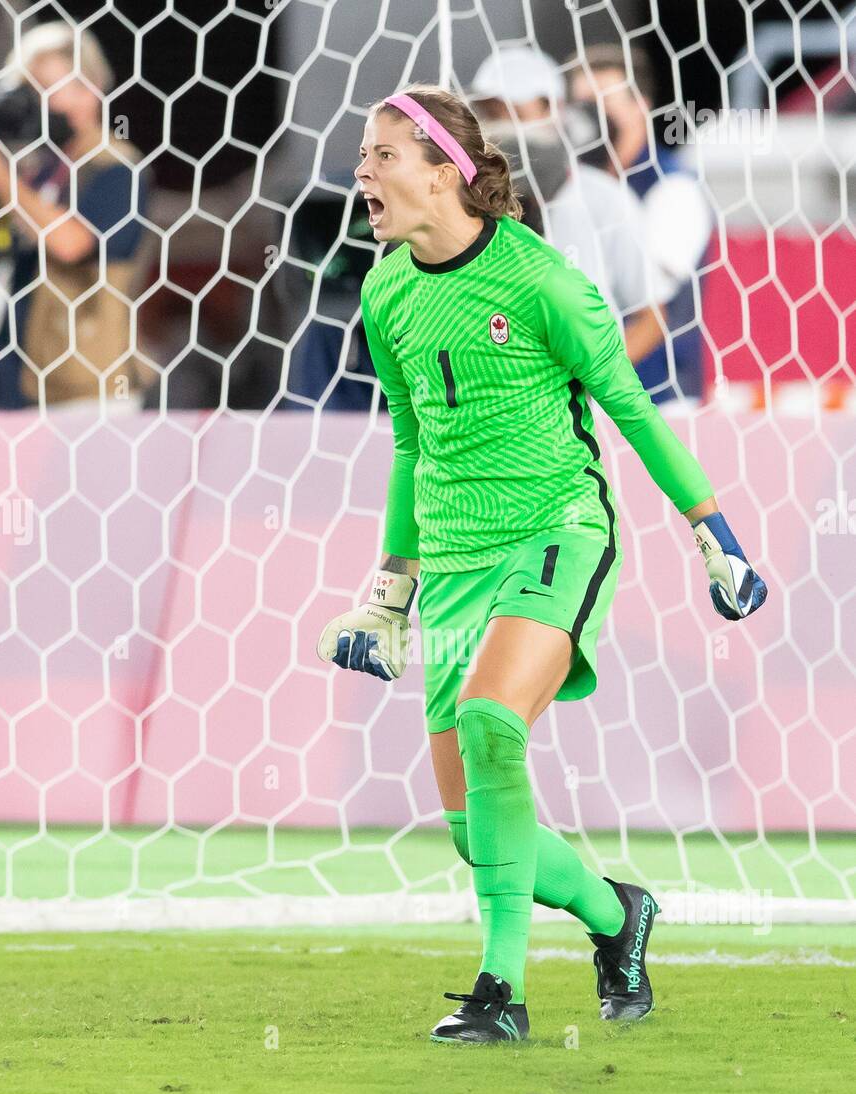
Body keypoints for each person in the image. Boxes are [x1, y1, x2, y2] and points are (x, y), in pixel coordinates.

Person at [317, 85, 767, 1044]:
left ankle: (500, 992)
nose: (363, 171)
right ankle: (618, 916)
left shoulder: (545, 282)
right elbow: (408, 444)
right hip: (452, 559)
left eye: (382, 155)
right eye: (364, 155)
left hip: (559, 530)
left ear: (445, 172)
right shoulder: (385, 289)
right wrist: (391, 593)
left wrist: (712, 534)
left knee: (490, 722)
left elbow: (634, 410)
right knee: (479, 832)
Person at [469, 45, 668, 364]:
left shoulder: (604, 198)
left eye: (515, 113)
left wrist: (591, 380)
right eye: (491, 114)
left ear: (555, 111)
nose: (502, 128)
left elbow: (651, 318)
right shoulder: (458, 199)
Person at [0, 22, 150, 408]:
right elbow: (4, 244)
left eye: (49, 89)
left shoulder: (117, 167)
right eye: (29, 91)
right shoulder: (41, 169)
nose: (39, 103)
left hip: (86, 390)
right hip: (18, 383)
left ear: (92, 87)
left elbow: (72, 243)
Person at [569, 44, 712, 405]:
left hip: (659, 404)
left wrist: (581, 388)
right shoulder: (569, 192)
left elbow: (648, 309)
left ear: (641, 107)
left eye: (603, 103)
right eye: (581, 106)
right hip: (583, 413)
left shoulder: (672, 190)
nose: (590, 119)